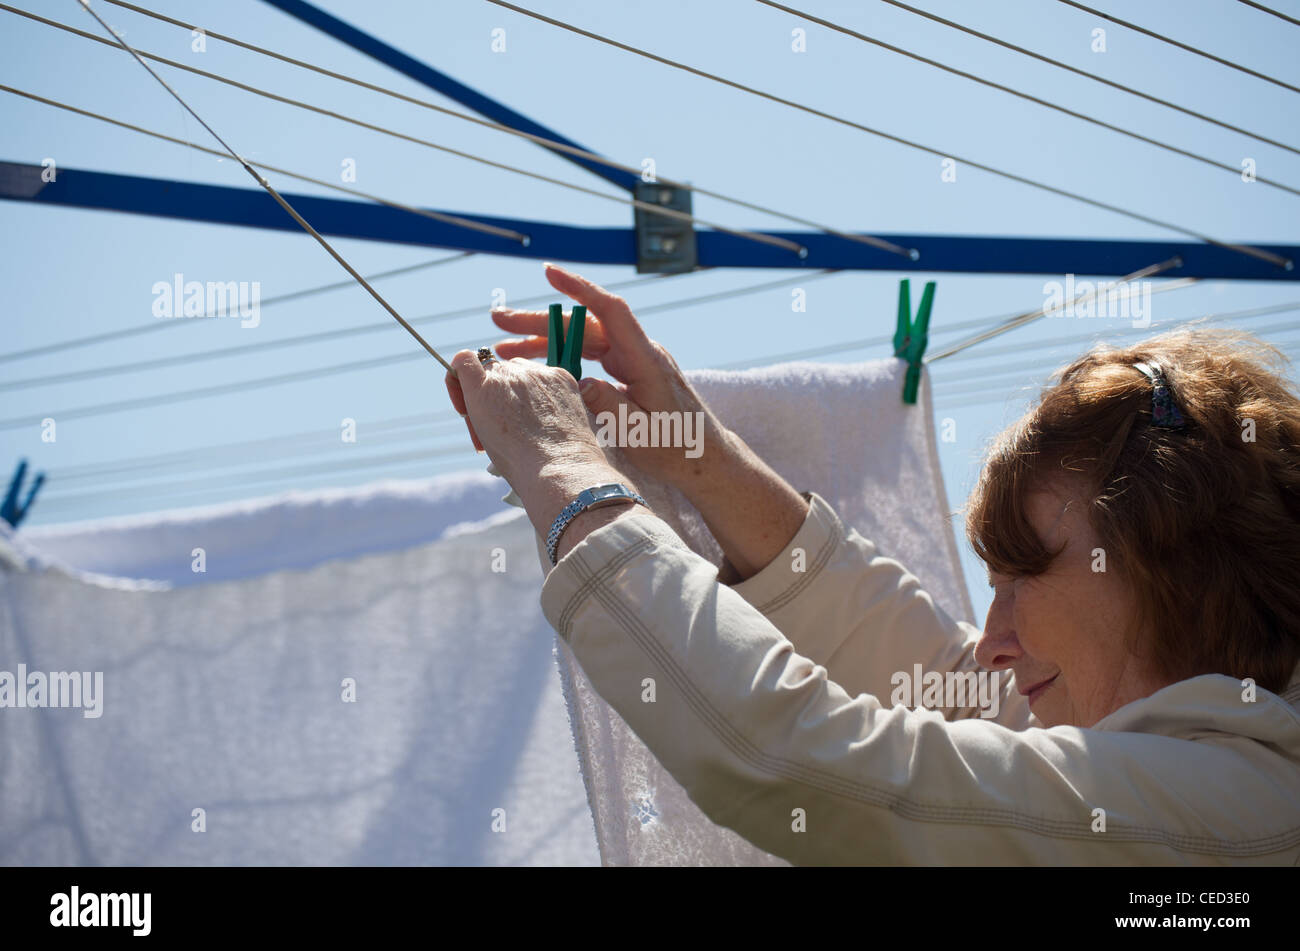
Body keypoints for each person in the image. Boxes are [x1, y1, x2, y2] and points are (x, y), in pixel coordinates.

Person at [445, 263, 1300, 865]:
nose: (992, 641)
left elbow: (825, 769)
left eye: (1025, 572)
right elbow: (937, 681)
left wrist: (566, 472)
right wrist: (695, 452)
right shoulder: (1207, 758)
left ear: (1165, 559)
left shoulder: (1231, 816)